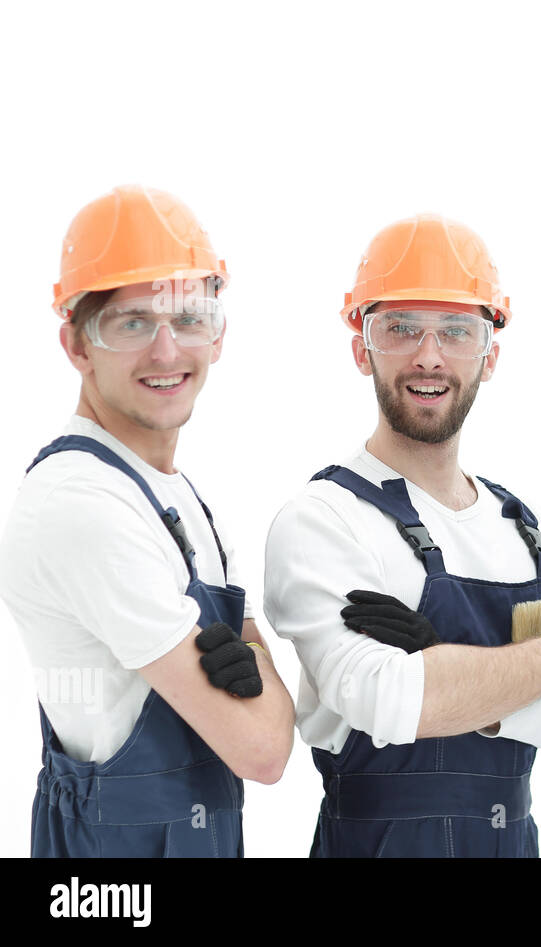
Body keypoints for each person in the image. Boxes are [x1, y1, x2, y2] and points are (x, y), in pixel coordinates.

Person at [263, 213, 541, 858]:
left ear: (489, 356)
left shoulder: (530, 534)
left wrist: (459, 681)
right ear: (361, 347)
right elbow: (385, 701)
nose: (429, 355)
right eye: (400, 329)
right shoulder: (322, 521)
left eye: (457, 331)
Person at [0, 185, 295, 857]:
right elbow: (265, 747)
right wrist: (254, 658)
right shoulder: (82, 506)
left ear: (217, 336)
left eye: (189, 318)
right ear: (77, 343)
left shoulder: (176, 496)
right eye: (131, 323)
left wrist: (255, 667)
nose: (167, 352)